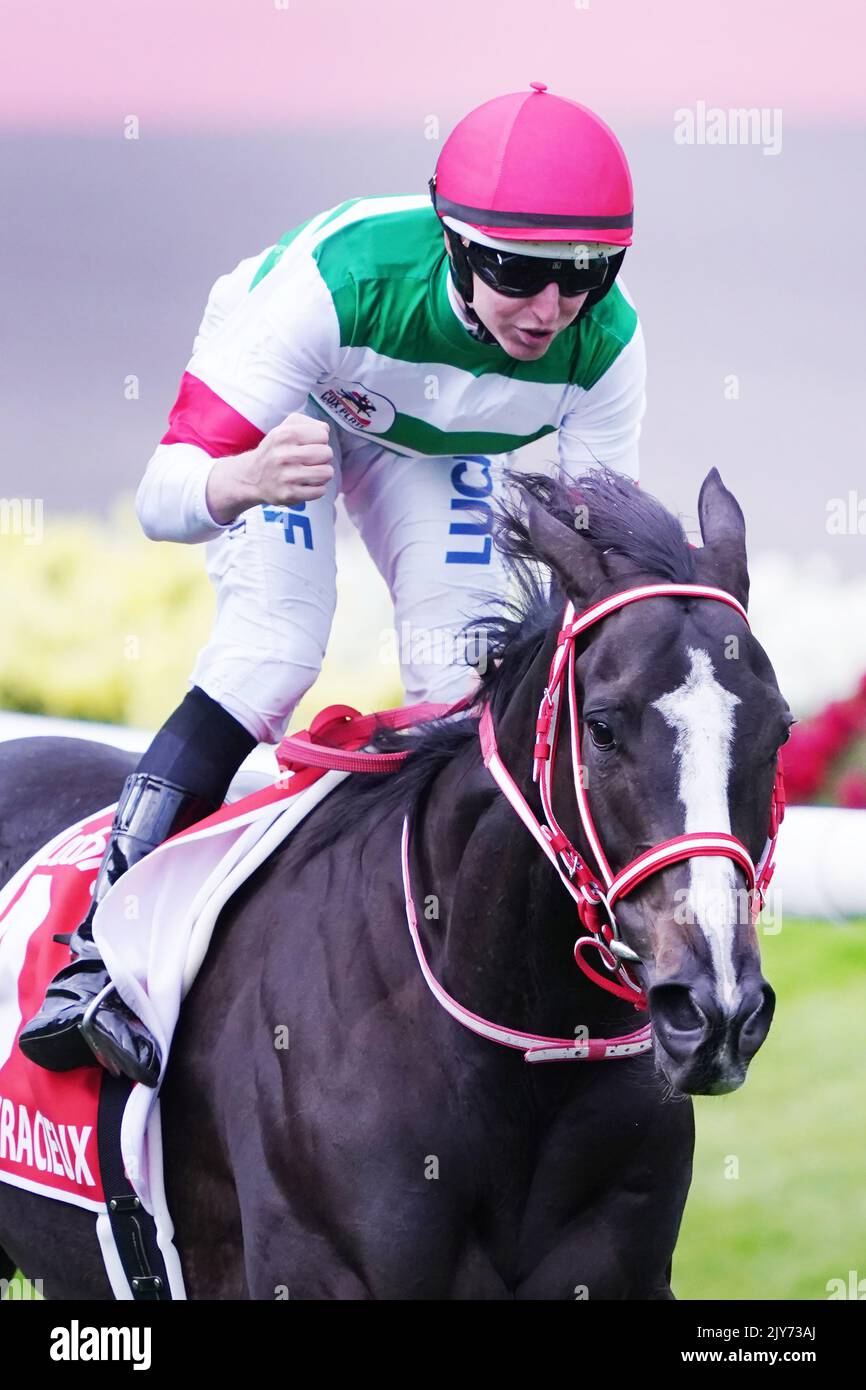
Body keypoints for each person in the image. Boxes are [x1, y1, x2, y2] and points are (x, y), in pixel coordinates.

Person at [19, 82, 646, 1087]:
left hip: (430, 440)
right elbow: (161, 495)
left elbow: (589, 550)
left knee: (456, 678)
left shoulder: (606, 344)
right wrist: (244, 480)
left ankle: (456, 959)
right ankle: (94, 953)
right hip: (299, 405)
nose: (551, 309)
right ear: (453, 240)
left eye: (585, 274)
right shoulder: (327, 284)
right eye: (521, 272)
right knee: (274, 648)